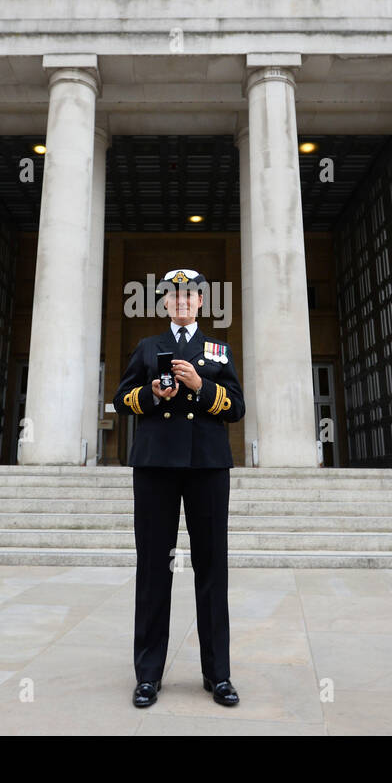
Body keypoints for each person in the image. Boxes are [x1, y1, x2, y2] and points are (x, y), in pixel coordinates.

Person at [112, 268, 246, 708]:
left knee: (212, 569)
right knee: (153, 568)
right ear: (164, 303)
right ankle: (148, 674)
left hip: (207, 466)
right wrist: (152, 393)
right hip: (155, 467)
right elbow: (121, 399)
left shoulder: (218, 349)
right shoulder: (148, 347)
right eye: (174, 296)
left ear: (202, 303)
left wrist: (200, 386)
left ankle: (218, 674)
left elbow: (236, 407)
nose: (182, 302)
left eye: (190, 296)